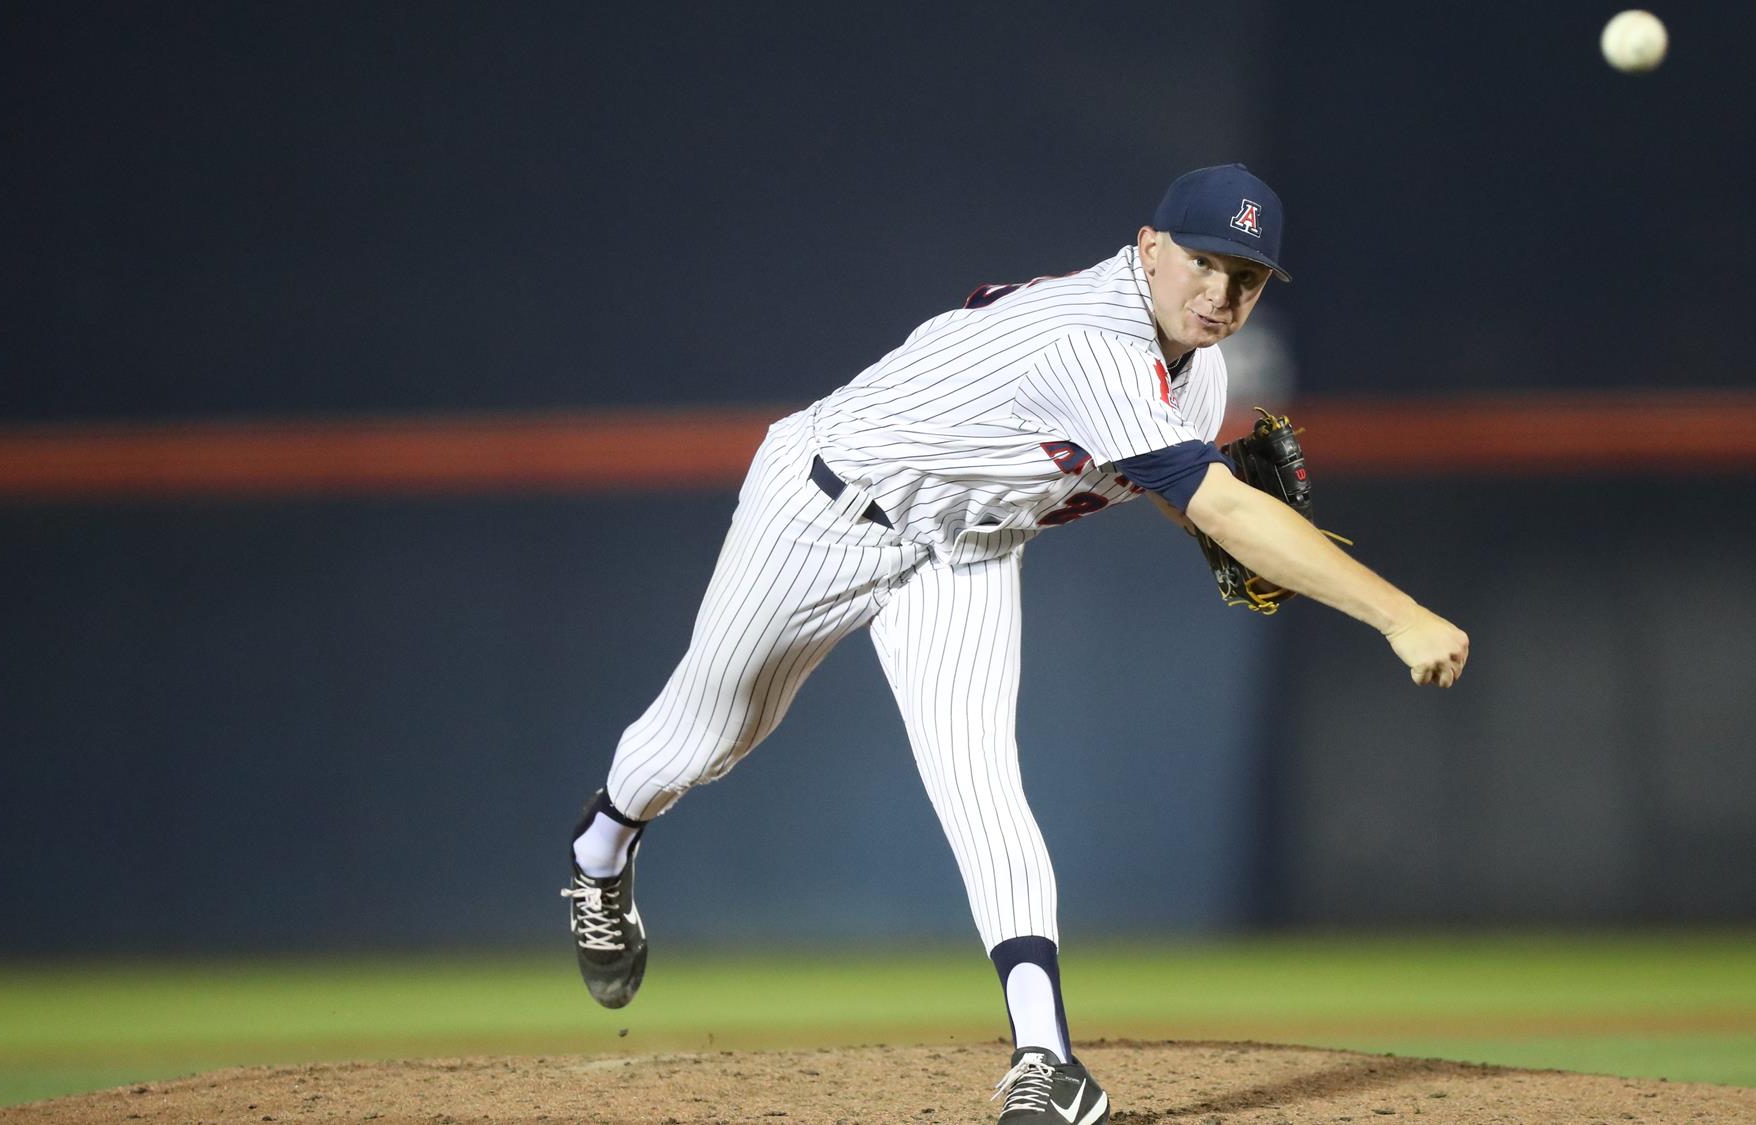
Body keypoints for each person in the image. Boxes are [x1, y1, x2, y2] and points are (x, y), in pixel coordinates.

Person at [559, 164, 1470, 1125]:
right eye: (1203, 262)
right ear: (1150, 248)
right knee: (708, 736)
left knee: (982, 782)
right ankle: (601, 845)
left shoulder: (1197, 379)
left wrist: (1219, 528)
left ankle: (1049, 1061)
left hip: (970, 547)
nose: (1221, 294)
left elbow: (1186, 495)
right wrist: (1397, 612)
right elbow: (1222, 505)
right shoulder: (1093, 342)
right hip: (827, 503)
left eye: (1246, 279)